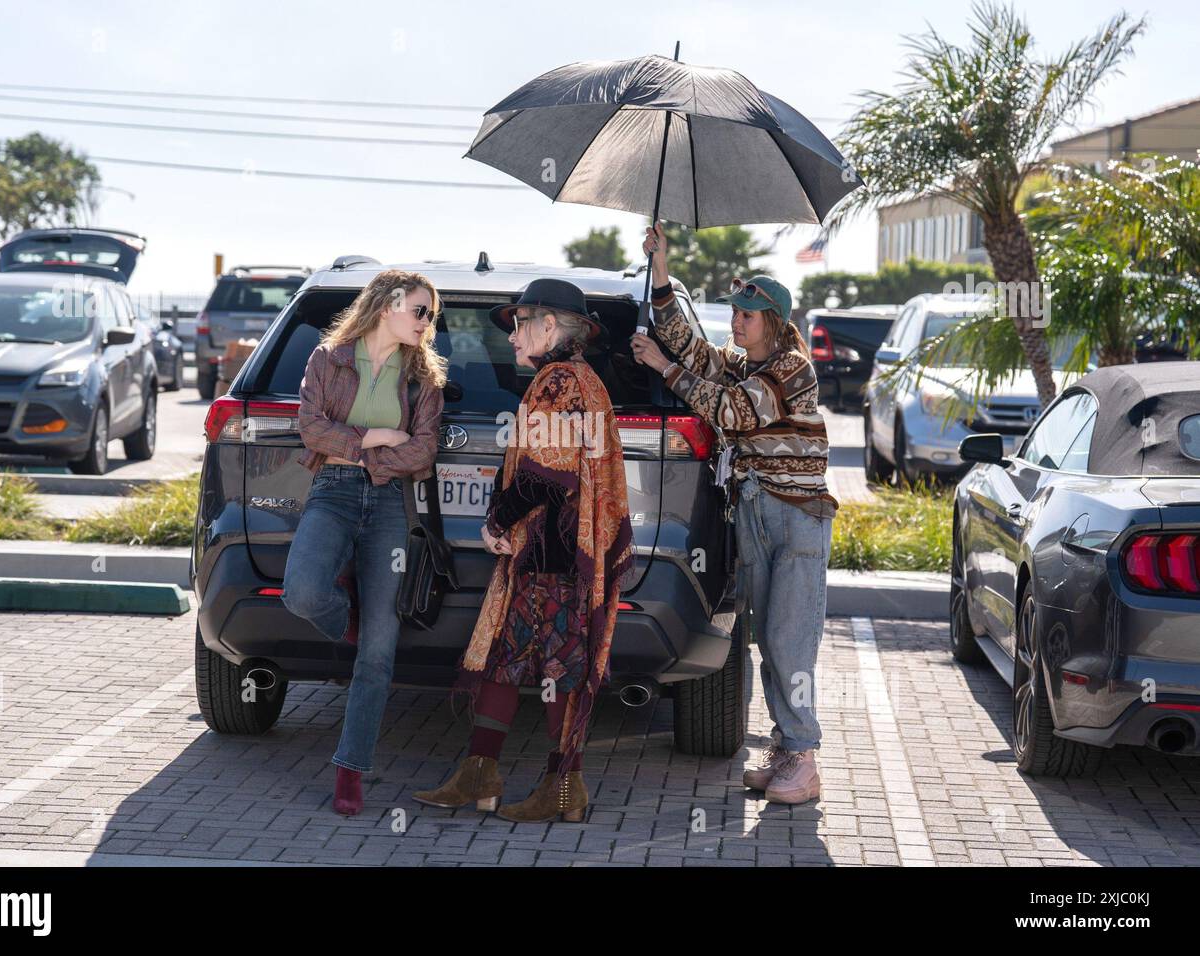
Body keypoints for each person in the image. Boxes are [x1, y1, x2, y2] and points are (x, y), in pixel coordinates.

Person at [630, 221, 837, 805]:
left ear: (771, 320)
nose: (735, 323)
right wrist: (662, 270)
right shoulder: (747, 363)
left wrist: (664, 370)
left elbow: (732, 411)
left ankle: (804, 758)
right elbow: (690, 346)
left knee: (791, 641)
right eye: (735, 314)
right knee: (770, 640)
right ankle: (788, 751)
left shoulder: (791, 368)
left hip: (797, 517)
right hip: (758, 512)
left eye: (745, 316)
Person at [412, 278, 633, 823]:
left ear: (550, 326)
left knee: (558, 666)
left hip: (552, 552)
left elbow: (544, 477)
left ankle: (564, 789)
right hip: (551, 549)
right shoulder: (583, 381)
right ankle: (479, 773)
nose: (512, 337)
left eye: (520, 323)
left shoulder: (560, 382)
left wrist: (496, 521)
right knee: (506, 660)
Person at [283, 269, 446, 816]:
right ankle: (344, 616)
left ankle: (350, 771)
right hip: (331, 492)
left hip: (389, 504)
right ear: (387, 306)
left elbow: (421, 452)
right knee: (302, 593)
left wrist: (356, 448)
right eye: (419, 311)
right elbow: (311, 428)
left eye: (431, 315)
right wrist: (375, 437)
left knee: (378, 652)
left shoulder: (425, 380)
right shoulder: (328, 358)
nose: (427, 323)